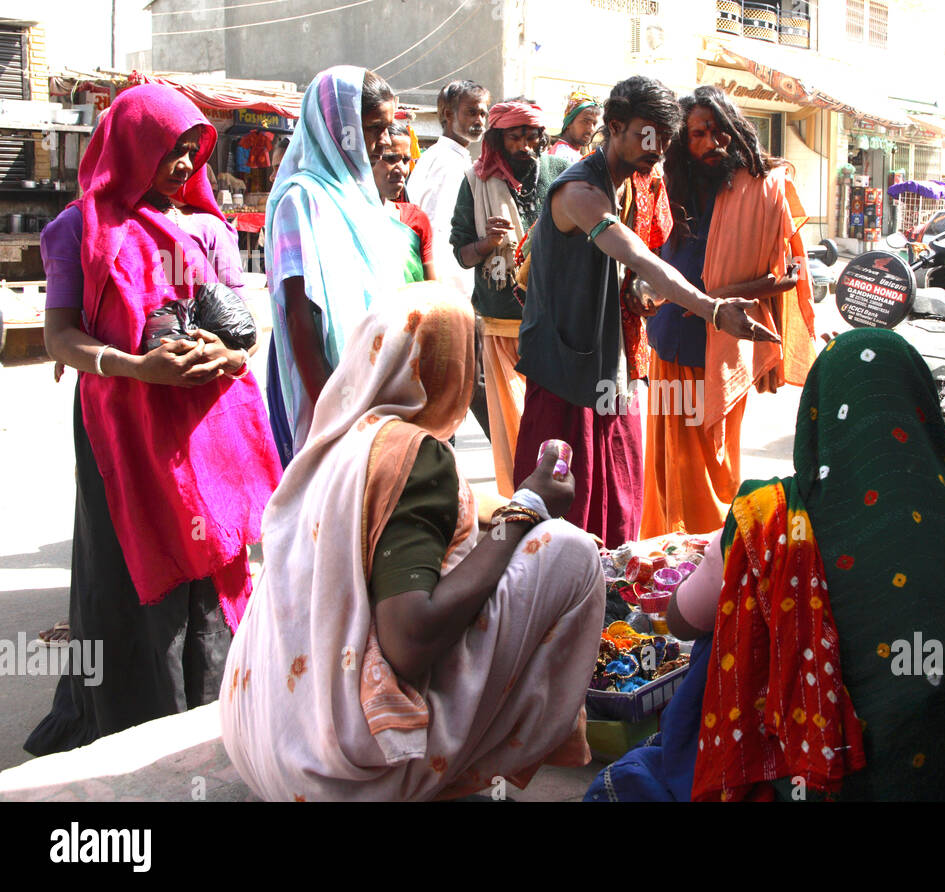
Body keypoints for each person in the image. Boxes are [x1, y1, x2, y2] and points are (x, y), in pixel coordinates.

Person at [586, 329, 945, 802]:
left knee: (732, 618)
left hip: (833, 780)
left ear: (816, 416)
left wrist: (728, 568)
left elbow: (682, 621)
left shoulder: (773, 515)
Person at [221, 285, 604, 800]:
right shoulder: (413, 453)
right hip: (347, 777)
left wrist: (504, 510)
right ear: (443, 368)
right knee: (569, 553)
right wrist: (527, 507)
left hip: (269, 749)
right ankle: (461, 761)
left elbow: (427, 521)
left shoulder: (336, 442)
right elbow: (409, 640)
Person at [28, 83, 281, 755]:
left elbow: (240, 327)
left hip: (203, 426)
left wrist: (225, 353)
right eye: (170, 149)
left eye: (192, 149)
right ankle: (130, 722)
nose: (184, 163)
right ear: (132, 144)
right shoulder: (79, 229)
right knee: (129, 567)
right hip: (123, 429)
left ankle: (209, 711)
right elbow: (59, 337)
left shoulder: (207, 226)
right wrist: (137, 369)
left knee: (209, 562)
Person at [514, 76, 779, 549]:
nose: (657, 148)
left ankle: (603, 599)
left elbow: (633, 275)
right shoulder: (579, 191)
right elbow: (639, 256)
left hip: (610, 369)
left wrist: (640, 294)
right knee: (556, 515)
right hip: (562, 371)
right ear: (614, 127)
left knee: (618, 506)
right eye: (647, 134)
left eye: (664, 135)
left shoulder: (635, 187)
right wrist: (713, 310)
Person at [641, 85, 815, 538]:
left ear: (736, 131)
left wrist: (715, 300)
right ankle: (670, 552)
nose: (710, 144)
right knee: (670, 464)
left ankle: (716, 551)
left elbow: (792, 272)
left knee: (717, 461)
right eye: (697, 134)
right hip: (668, 341)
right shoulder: (668, 186)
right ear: (683, 140)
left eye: (718, 132)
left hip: (721, 344)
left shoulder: (764, 189)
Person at [264, 66, 412, 462]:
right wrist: (338, 419)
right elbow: (301, 319)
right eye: (372, 128)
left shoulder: (362, 199)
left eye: (387, 126)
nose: (382, 142)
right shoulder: (301, 200)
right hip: (328, 392)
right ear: (333, 125)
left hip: (376, 383)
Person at [450, 99, 570, 497]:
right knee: (516, 426)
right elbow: (462, 253)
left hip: (553, 324)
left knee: (555, 424)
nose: (523, 146)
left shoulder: (559, 173)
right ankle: (522, 502)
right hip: (502, 326)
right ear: (497, 141)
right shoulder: (476, 181)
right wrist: (487, 243)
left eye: (530, 136)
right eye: (513, 138)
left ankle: (559, 503)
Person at [404, 79, 493, 440]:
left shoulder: (448, 159)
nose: (479, 120)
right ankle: (518, 458)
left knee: (454, 384)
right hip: (450, 293)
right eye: (471, 112)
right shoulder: (446, 165)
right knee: (469, 381)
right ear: (447, 114)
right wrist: (453, 297)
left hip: (445, 292)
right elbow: (440, 235)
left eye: (483, 112)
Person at [373, 123, 435, 281]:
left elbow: (431, 288)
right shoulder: (346, 217)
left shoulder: (415, 218)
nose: (401, 169)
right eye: (390, 158)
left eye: (406, 160)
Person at [547, 89, 601, 163]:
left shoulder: (571, 154)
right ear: (569, 123)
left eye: (594, 123)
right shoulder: (564, 157)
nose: (591, 129)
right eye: (585, 122)